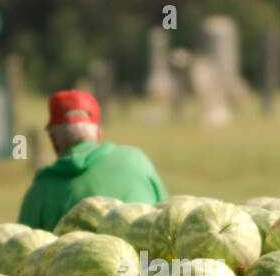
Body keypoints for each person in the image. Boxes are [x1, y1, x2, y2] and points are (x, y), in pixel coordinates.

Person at [18, 90, 168, 230]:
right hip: (147, 257)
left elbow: (23, 250)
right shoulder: (137, 159)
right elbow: (166, 213)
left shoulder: (40, 191)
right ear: (99, 133)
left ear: (52, 138)